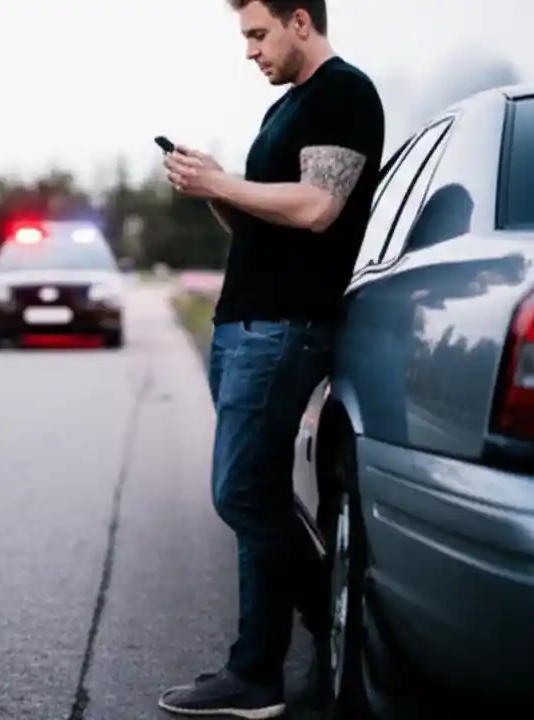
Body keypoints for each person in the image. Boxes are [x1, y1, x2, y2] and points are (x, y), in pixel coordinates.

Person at [158, 0, 385, 717]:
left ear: (300, 22)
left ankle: (300, 647)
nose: (250, 50)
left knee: (242, 495)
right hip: (243, 325)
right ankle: (277, 656)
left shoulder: (344, 93)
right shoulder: (283, 109)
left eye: (258, 34)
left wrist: (222, 183)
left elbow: (318, 207)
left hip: (283, 328)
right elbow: (261, 220)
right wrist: (211, 185)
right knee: (255, 492)